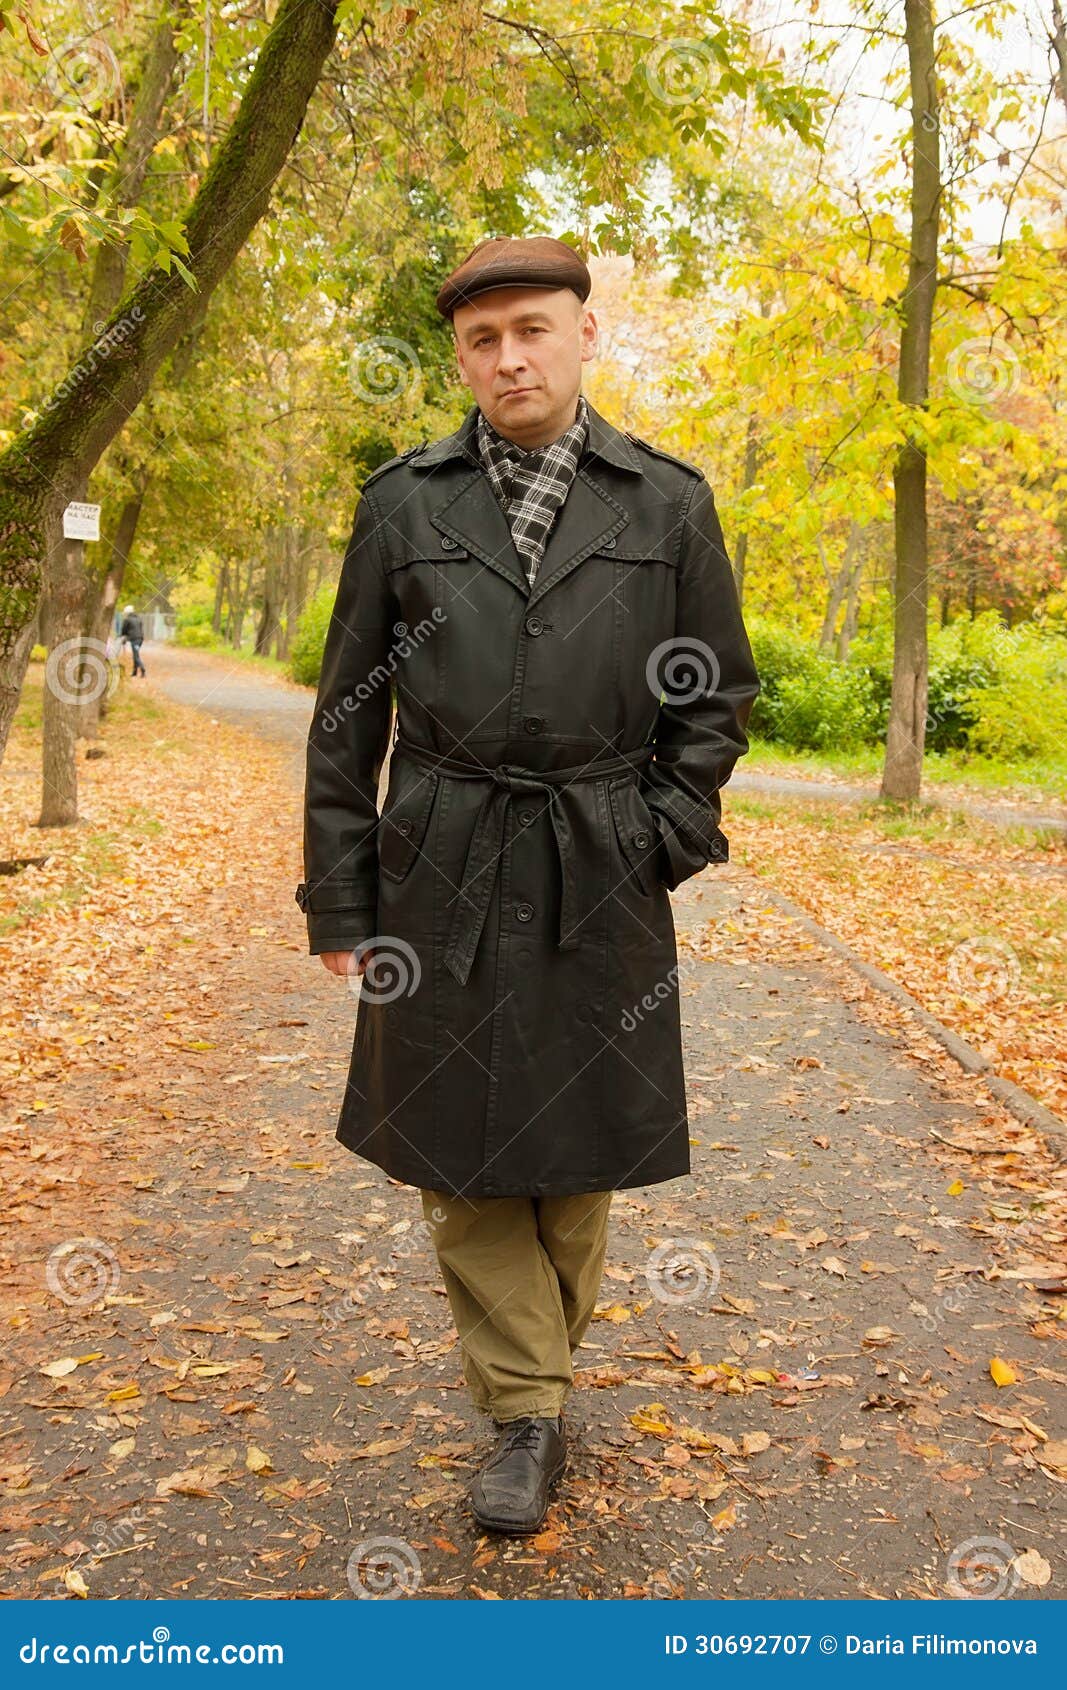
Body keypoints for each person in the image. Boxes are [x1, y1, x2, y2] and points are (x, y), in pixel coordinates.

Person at [297, 235, 760, 1536]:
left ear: (584, 333)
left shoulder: (666, 502)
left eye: (531, 329)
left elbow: (711, 689)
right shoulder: (401, 502)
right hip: (434, 852)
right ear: (460, 355)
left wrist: (663, 828)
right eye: (481, 338)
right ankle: (526, 1410)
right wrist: (342, 894)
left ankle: (531, 1376)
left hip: (597, 850)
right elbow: (346, 716)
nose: (507, 356)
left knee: (577, 1138)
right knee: (457, 1139)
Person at [119, 604, 146, 676]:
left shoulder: (127, 620)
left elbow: (123, 630)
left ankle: (143, 669)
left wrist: (122, 637)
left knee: (136, 656)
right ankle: (135, 672)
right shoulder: (138, 618)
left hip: (134, 640)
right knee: (135, 655)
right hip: (140, 639)